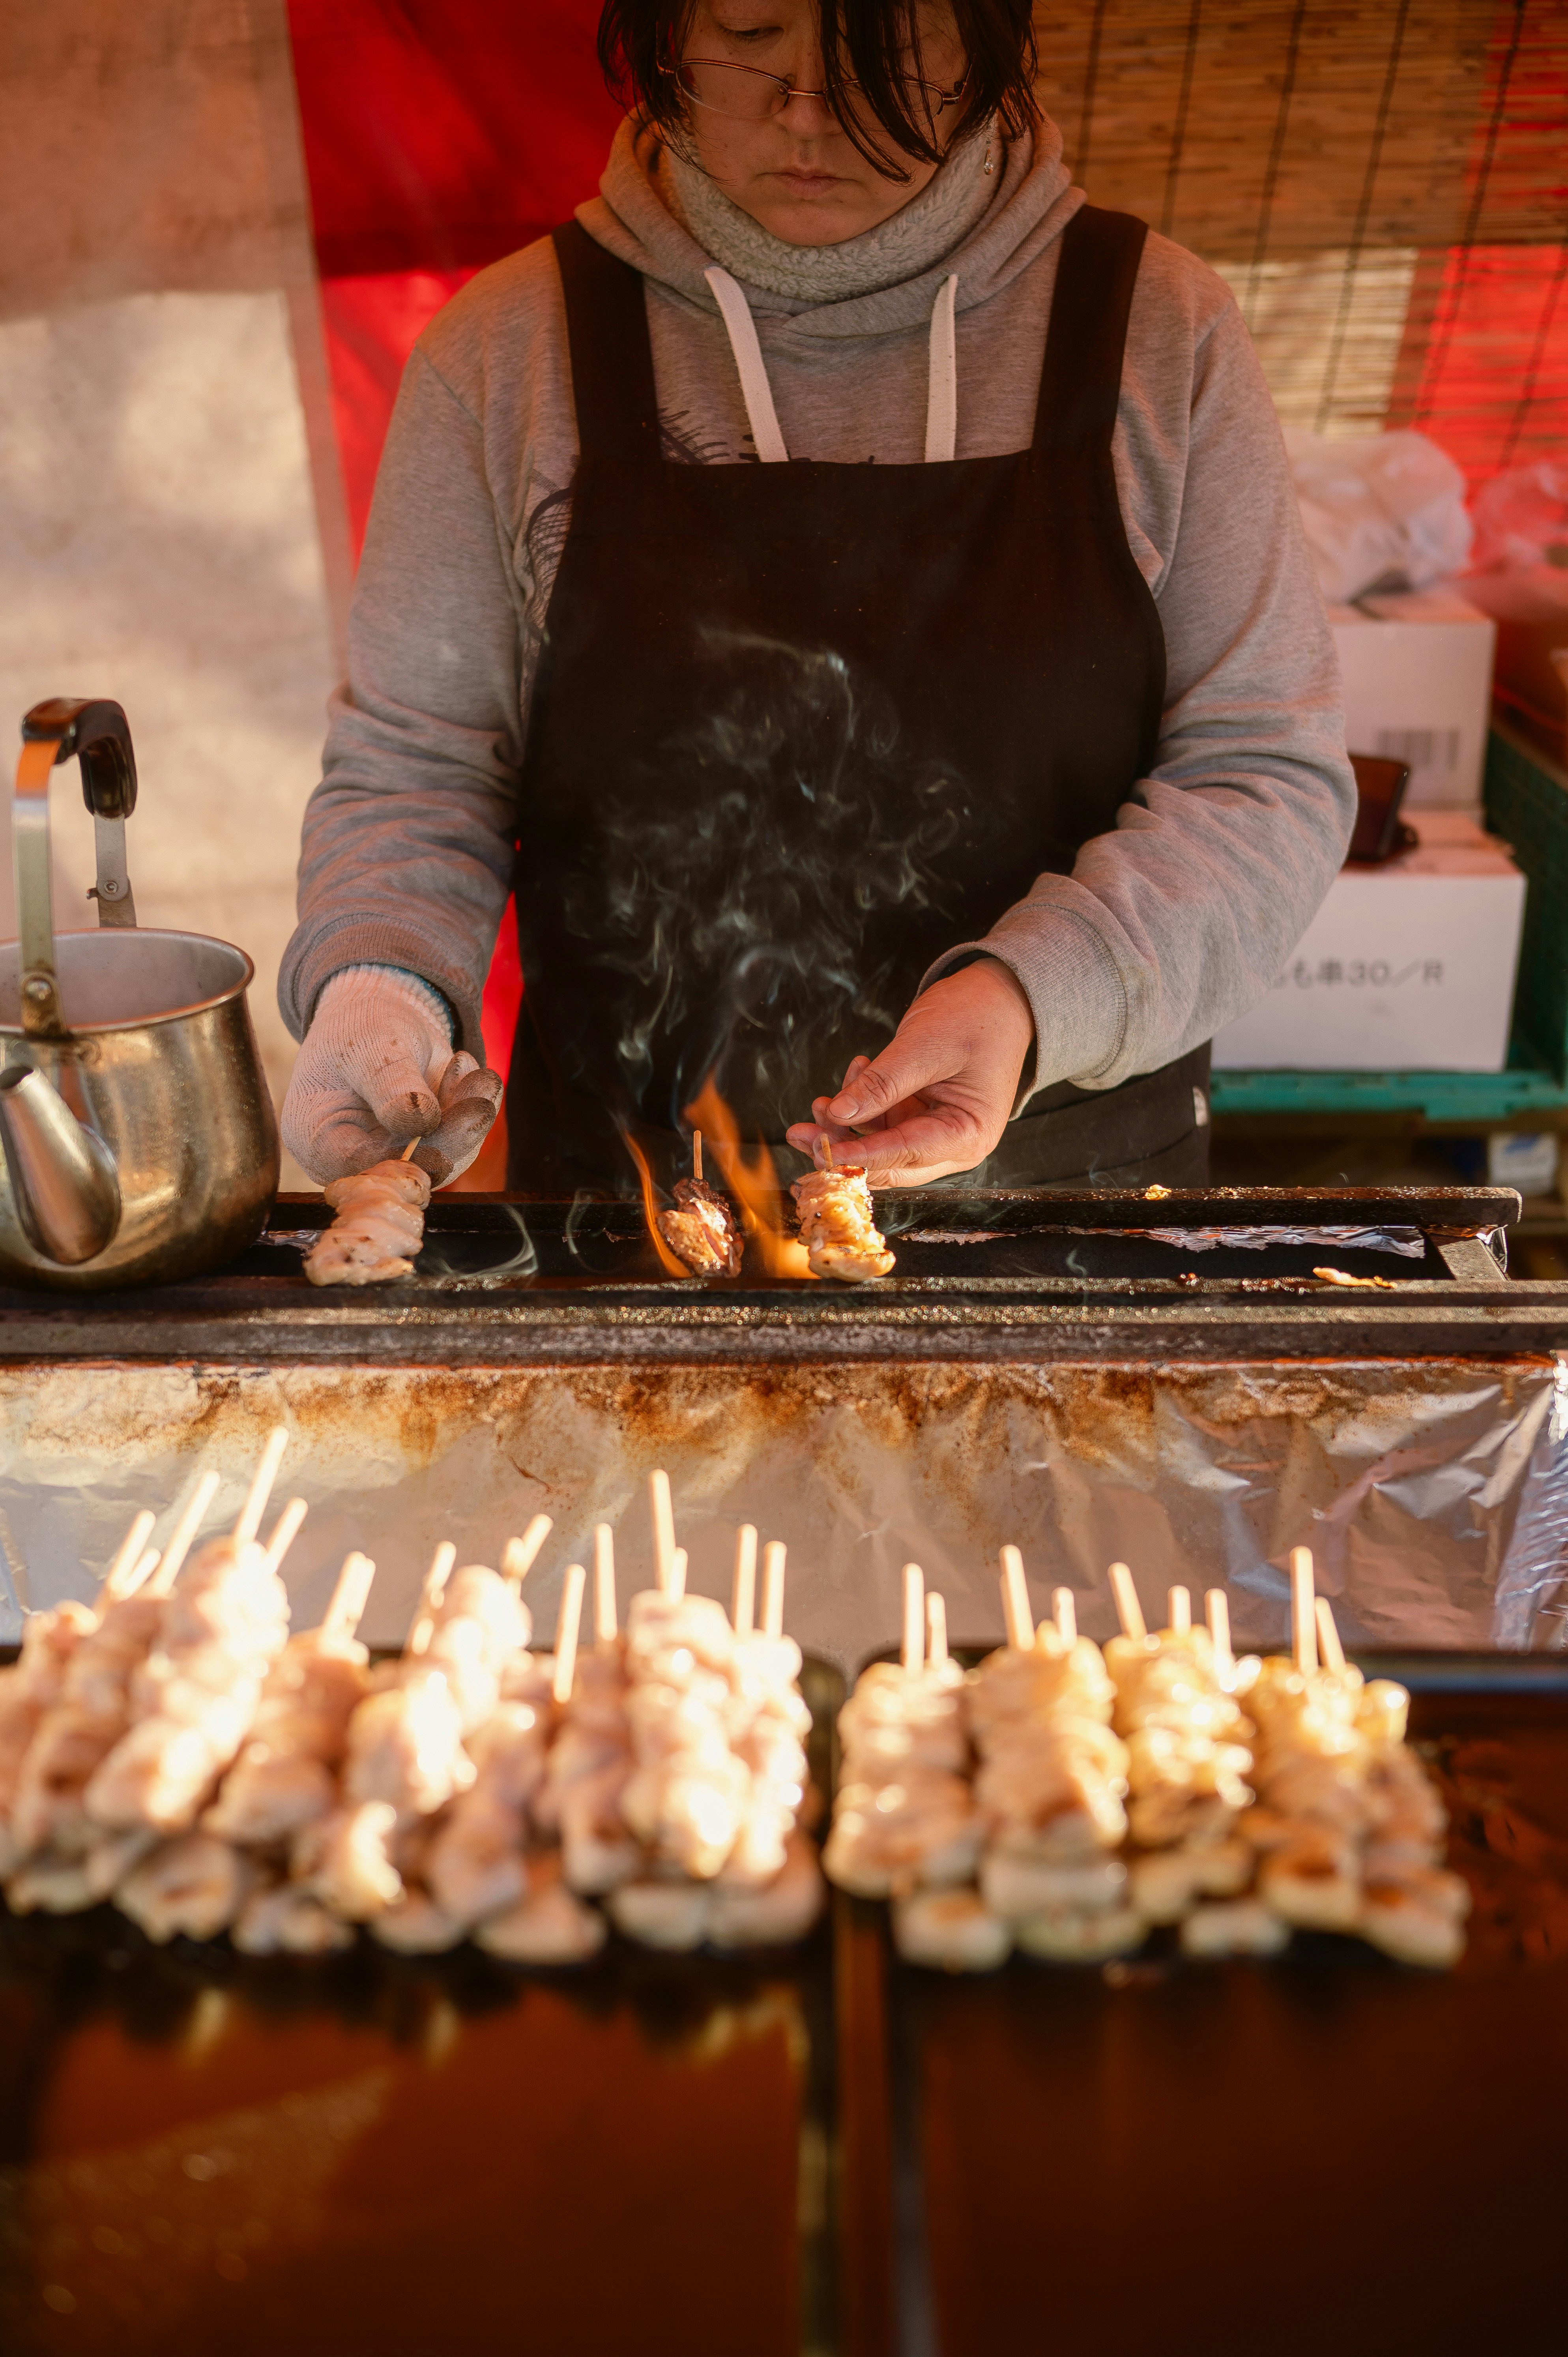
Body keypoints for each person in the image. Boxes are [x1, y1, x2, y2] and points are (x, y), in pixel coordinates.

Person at [279, 0, 1354, 1197]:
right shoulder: (506, 352)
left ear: (988, 43)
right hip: (631, 1209)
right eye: (747, 38)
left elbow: (1261, 773)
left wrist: (1036, 995)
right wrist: (379, 982)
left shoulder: (1162, 332)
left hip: (1071, 1188)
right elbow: (418, 769)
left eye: (880, 59)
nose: (807, 115)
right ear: (661, 32)